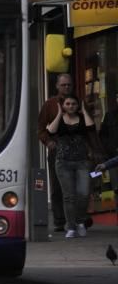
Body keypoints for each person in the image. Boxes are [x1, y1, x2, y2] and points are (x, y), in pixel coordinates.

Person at [45, 95, 101, 238]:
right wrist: (59, 113)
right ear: (63, 106)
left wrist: (84, 110)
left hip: (82, 162)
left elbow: (91, 127)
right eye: (68, 104)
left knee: (83, 193)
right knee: (68, 196)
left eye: (74, 104)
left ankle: (80, 221)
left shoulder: (82, 119)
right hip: (63, 162)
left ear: (77, 106)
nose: (71, 106)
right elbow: (50, 131)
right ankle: (70, 227)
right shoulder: (59, 119)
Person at [37, 74, 73, 232]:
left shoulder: (76, 102)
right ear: (57, 86)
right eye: (63, 85)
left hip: (76, 151)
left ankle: (76, 218)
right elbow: (40, 129)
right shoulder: (49, 105)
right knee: (57, 186)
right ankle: (59, 220)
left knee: (77, 186)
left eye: (69, 85)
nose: (66, 87)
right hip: (57, 150)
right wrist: (48, 142)